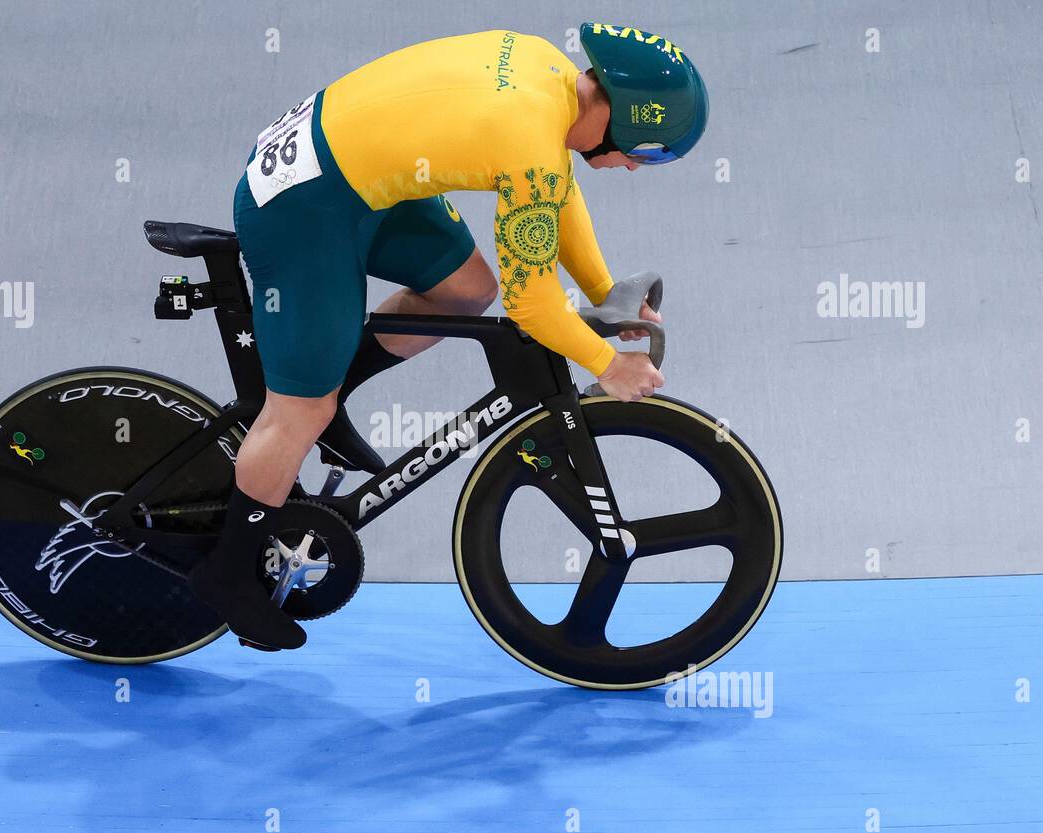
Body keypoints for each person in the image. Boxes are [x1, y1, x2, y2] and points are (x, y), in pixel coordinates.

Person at [191, 22, 709, 651]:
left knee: (465, 291)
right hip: (304, 207)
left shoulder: (550, 76)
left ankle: (330, 398)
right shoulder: (529, 143)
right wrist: (608, 363)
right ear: (625, 123)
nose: (636, 167)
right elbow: (533, 305)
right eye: (647, 154)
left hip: (351, 170)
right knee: (299, 405)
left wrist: (604, 292)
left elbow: (556, 191)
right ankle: (228, 571)